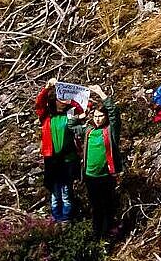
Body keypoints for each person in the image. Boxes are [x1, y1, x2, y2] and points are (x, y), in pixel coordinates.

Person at [80, 95, 122, 239]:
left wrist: (102, 94)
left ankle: (107, 235)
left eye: (101, 116)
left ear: (106, 117)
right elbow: (72, 126)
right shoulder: (88, 131)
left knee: (107, 207)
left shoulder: (111, 131)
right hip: (90, 176)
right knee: (96, 208)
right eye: (96, 116)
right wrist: (75, 115)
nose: (98, 119)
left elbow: (114, 112)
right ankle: (97, 235)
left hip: (106, 176)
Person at [37, 85, 77, 222]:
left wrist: (70, 98)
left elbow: (84, 106)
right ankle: (56, 218)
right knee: (55, 192)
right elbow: (39, 103)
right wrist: (47, 88)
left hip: (67, 159)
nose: (62, 103)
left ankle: (66, 219)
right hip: (51, 159)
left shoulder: (70, 115)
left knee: (66, 191)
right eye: (59, 100)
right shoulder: (46, 117)